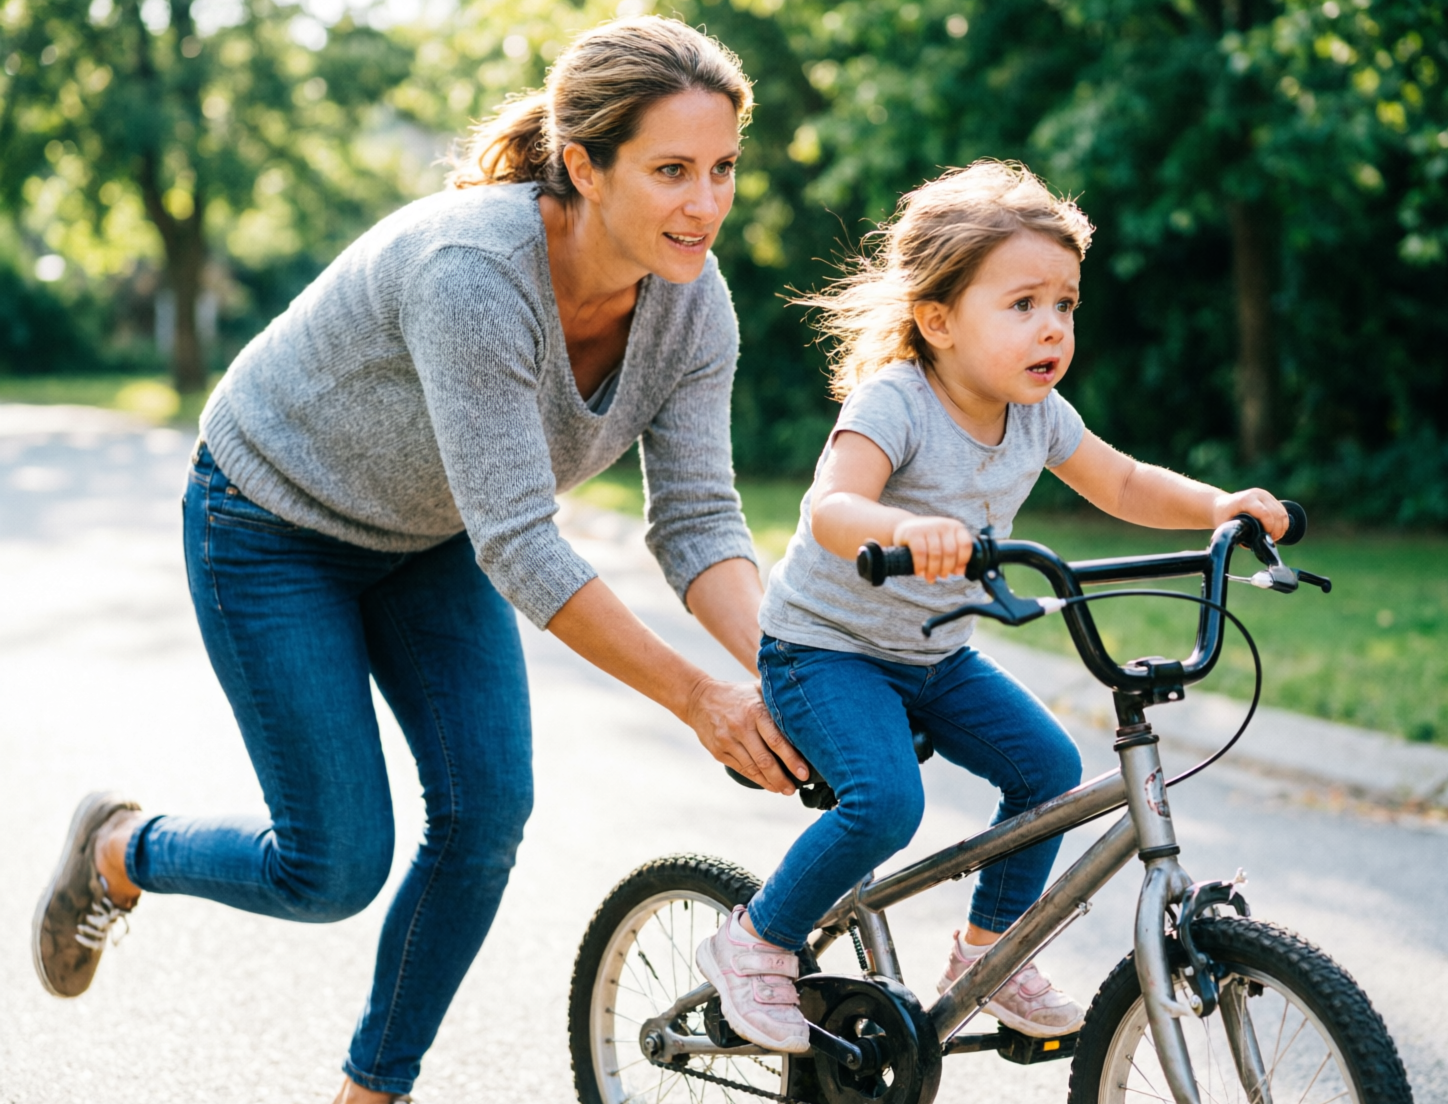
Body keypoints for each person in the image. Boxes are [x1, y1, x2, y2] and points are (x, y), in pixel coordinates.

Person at [31, 16, 808, 1102]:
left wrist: (787, 672)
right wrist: (698, 699)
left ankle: (373, 1089)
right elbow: (522, 546)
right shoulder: (473, 270)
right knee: (330, 866)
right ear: (582, 165)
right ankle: (122, 848)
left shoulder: (693, 300)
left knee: (485, 815)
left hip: (425, 537)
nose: (706, 203)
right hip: (268, 523)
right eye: (671, 170)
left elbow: (696, 520)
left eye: (722, 168)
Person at [695, 160, 1289, 1052]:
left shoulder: (1040, 413)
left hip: (934, 651)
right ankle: (753, 943)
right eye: (1023, 306)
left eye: (1066, 305)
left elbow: (1121, 480)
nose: (1052, 328)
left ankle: (989, 954)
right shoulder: (897, 400)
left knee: (1049, 770)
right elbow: (832, 508)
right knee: (886, 803)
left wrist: (1217, 508)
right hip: (826, 650)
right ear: (938, 321)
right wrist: (904, 526)